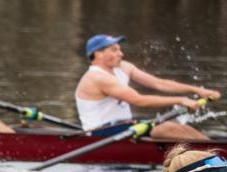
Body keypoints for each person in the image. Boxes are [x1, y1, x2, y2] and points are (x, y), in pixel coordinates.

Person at [74, 34, 219, 141]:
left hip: (124, 125)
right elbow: (139, 100)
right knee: (166, 128)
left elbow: (159, 83)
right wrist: (181, 100)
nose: (121, 54)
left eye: (119, 49)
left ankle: (214, 148)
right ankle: (216, 153)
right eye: (114, 50)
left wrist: (198, 90)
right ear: (98, 54)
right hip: (100, 132)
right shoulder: (97, 77)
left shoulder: (123, 67)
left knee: (181, 129)